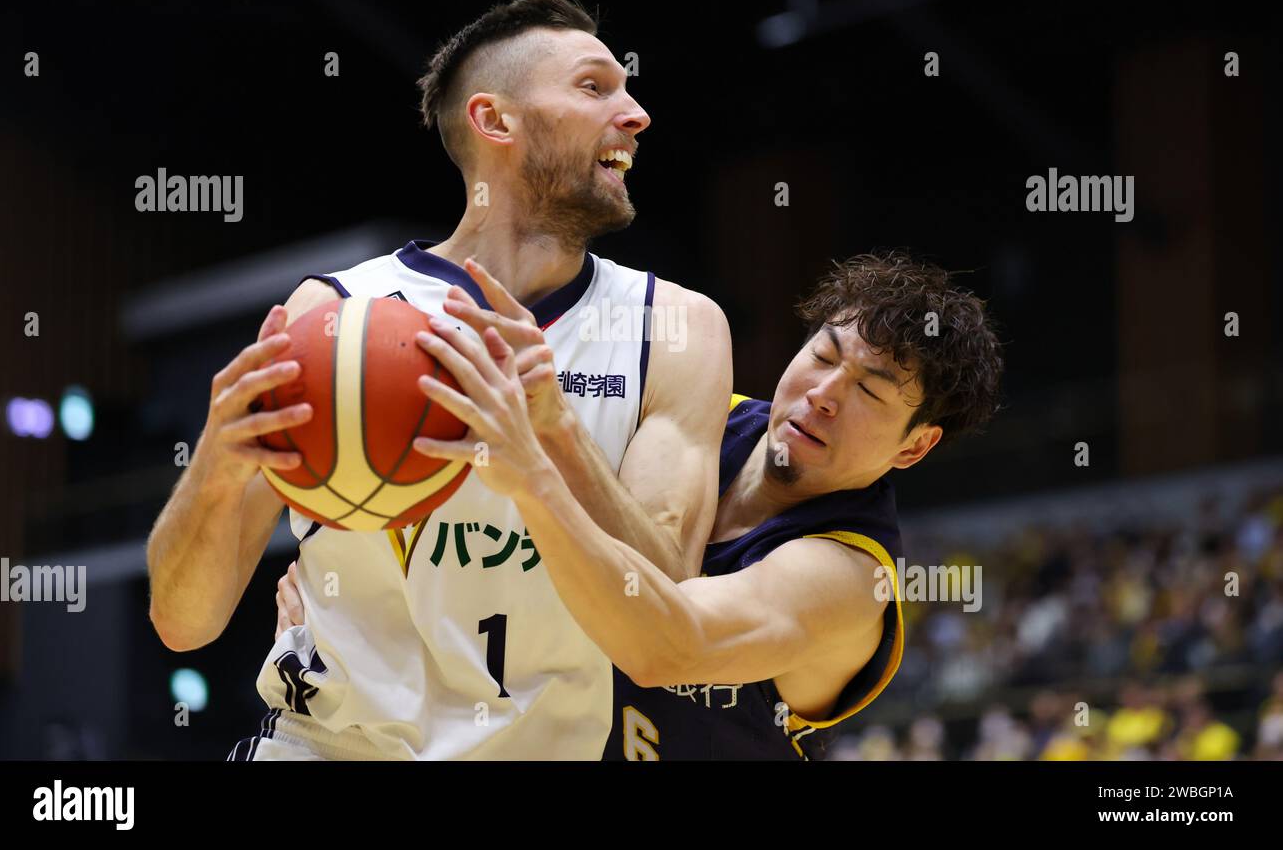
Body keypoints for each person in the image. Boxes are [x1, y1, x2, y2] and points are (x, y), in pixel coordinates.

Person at [146, 0, 732, 760]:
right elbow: (184, 623)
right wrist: (216, 472)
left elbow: (660, 609)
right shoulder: (334, 316)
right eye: (595, 87)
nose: (637, 113)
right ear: (495, 122)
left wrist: (551, 436)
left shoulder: (675, 325)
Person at [276, 251, 1005, 758]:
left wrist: (540, 474)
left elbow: (665, 647)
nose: (823, 394)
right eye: (822, 355)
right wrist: (355, 584)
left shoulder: (847, 579)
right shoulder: (693, 420)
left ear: (914, 446)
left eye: (870, 391)